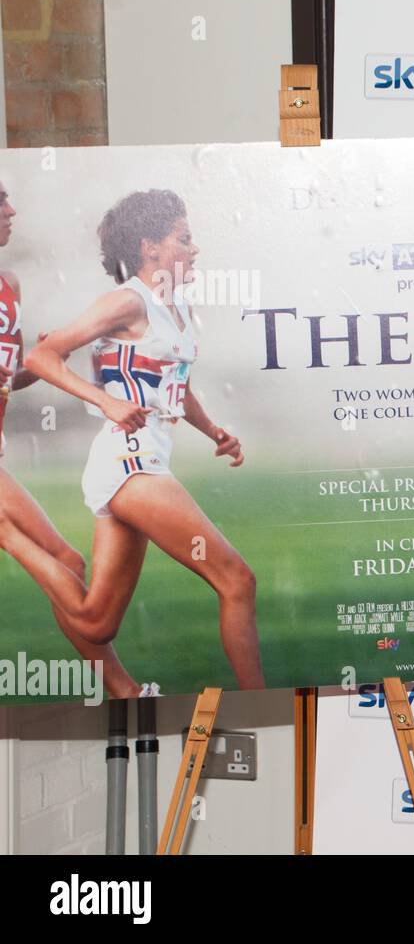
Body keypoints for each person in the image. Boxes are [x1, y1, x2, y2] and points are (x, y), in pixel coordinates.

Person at [15, 189, 264, 690]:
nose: (195, 250)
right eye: (184, 239)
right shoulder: (127, 301)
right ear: (151, 248)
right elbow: (42, 358)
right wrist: (104, 400)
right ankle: (260, 702)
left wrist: (215, 431)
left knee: (96, 621)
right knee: (236, 580)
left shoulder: (178, 308)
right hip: (130, 461)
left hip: (140, 461)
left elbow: (177, 387)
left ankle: (8, 537)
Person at [0, 179, 148, 698]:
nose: (12, 209)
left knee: (69, 564)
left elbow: (8, 378)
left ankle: (124, 690)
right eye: (0, 200)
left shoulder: (9, 286)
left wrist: (37, 369)